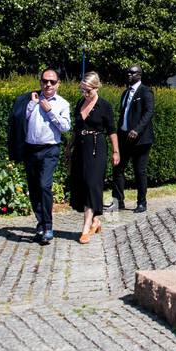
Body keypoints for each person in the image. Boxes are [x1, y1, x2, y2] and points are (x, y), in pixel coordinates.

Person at [7, 67, 71, 244]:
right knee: (34, 188)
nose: (48, 84)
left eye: (52, 81)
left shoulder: (62, 104)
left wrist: (50, 111)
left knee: (44, 185)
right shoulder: (30, 100)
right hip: (30, 149)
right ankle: (41, 223)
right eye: (45, 81)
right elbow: (20, 122)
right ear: (40, 82)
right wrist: (32, 106)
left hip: (50, 149)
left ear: (58, 84)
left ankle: (48, 225)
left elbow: (66, 127)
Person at [70, 72, 119, 244]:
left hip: (97, 149)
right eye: (82, 90)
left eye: (88, 91)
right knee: (82, 184)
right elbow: (76, 129)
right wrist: (69, 148)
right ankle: (95, 221)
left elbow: (112, 130)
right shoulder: (80, 103)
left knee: (92, 184)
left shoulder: (104, 106)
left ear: (96, 88)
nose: (85, 94)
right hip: (81, 148)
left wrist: (116, 151)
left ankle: (85, 228)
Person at [109, 64, 154, 213]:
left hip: (141, 140)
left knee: (139, 171)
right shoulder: (125, 93)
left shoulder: (146, 91)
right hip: (124, 137)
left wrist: (137, 129)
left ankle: (142, 202)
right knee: (118, 169)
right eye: (127, 72)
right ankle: (118, 201)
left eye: (132, 73)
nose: (129, 75)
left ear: (139, 75)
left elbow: (148, 113)